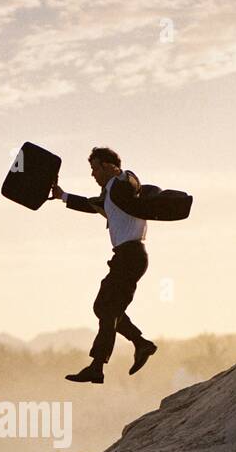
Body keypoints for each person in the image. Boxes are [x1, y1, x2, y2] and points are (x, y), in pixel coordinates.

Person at [50, 147, 158, 384]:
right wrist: (62, 195)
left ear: (108, 166)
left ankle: (97, 366)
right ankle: (141, 344)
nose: (92, 174)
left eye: (95, 168)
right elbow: (94, 205)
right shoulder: (110, 192)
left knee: (108, 310)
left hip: (131, 256)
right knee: (103, 307)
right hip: (124, 257)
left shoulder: (123, 182)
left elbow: (131, 183)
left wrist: (120, 173)